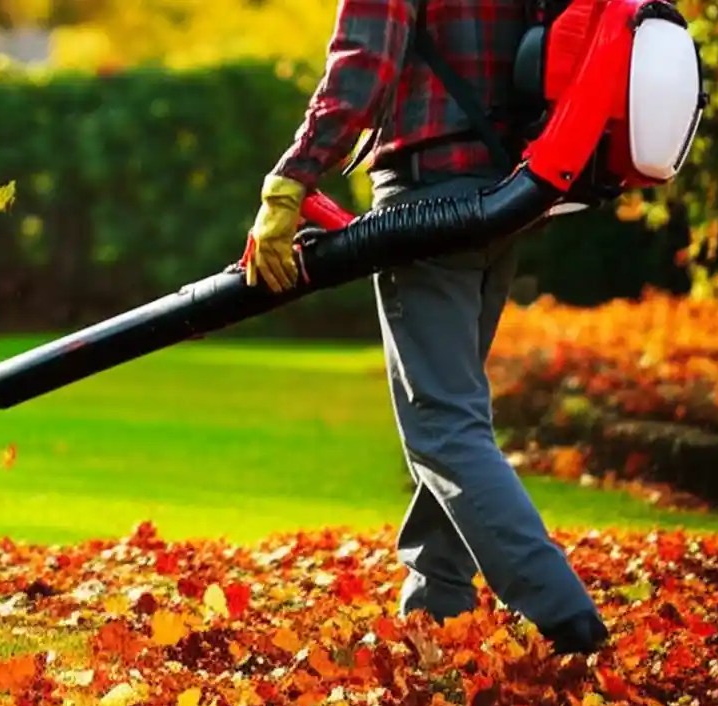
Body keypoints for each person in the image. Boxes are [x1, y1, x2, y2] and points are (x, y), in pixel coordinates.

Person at [245, 0, 609, 655]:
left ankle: (569, 620)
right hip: (506, 195)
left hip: (429, 197)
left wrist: (290, 177)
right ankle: (435, 609)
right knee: (453, 417)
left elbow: (364, 66)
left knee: (443, 426)